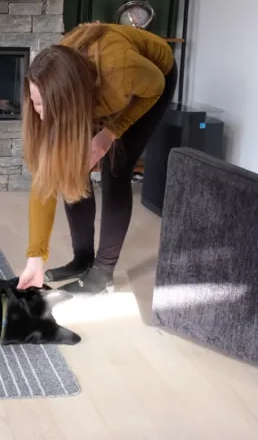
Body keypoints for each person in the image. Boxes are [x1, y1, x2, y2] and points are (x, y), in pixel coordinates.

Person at [16, 22, 177, 295]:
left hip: (151, 84)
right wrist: (35, 257)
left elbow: (156, 86)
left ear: (67, 102)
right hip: (91, 91)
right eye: (35, 102)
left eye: (44, 105)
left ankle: (103, 272)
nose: (38, 113)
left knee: (116, 169)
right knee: (72, 169)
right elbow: (45, 181)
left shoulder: (121, 71)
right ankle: (82, 260)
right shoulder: (51, 77)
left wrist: (110, 132)